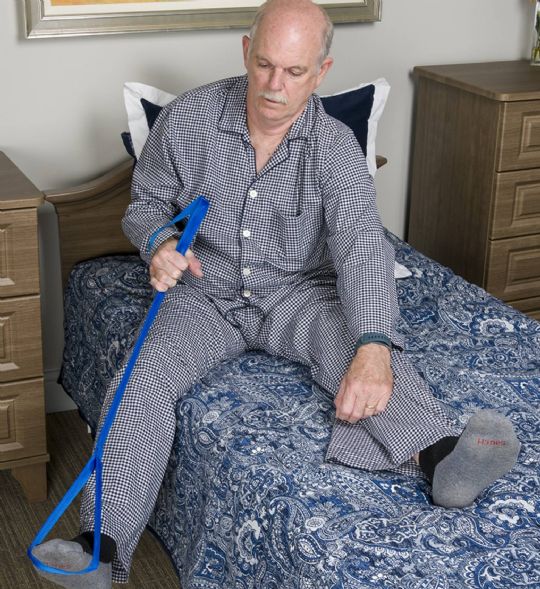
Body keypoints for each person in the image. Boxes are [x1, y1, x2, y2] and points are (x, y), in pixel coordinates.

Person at [33, 1, 520, 587]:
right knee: (142, 380)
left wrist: (372, 345)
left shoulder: (336, 148)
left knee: (361, 356)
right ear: (246, 51)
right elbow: (146, 203)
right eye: (264, 64)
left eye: (293, 72)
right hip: (203, 292)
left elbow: (363, 249)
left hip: (299, 292)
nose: (273, 85)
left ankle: (442, 456)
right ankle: (102, 551)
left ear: (321, 72)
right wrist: (160, 243)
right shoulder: (188, 119)